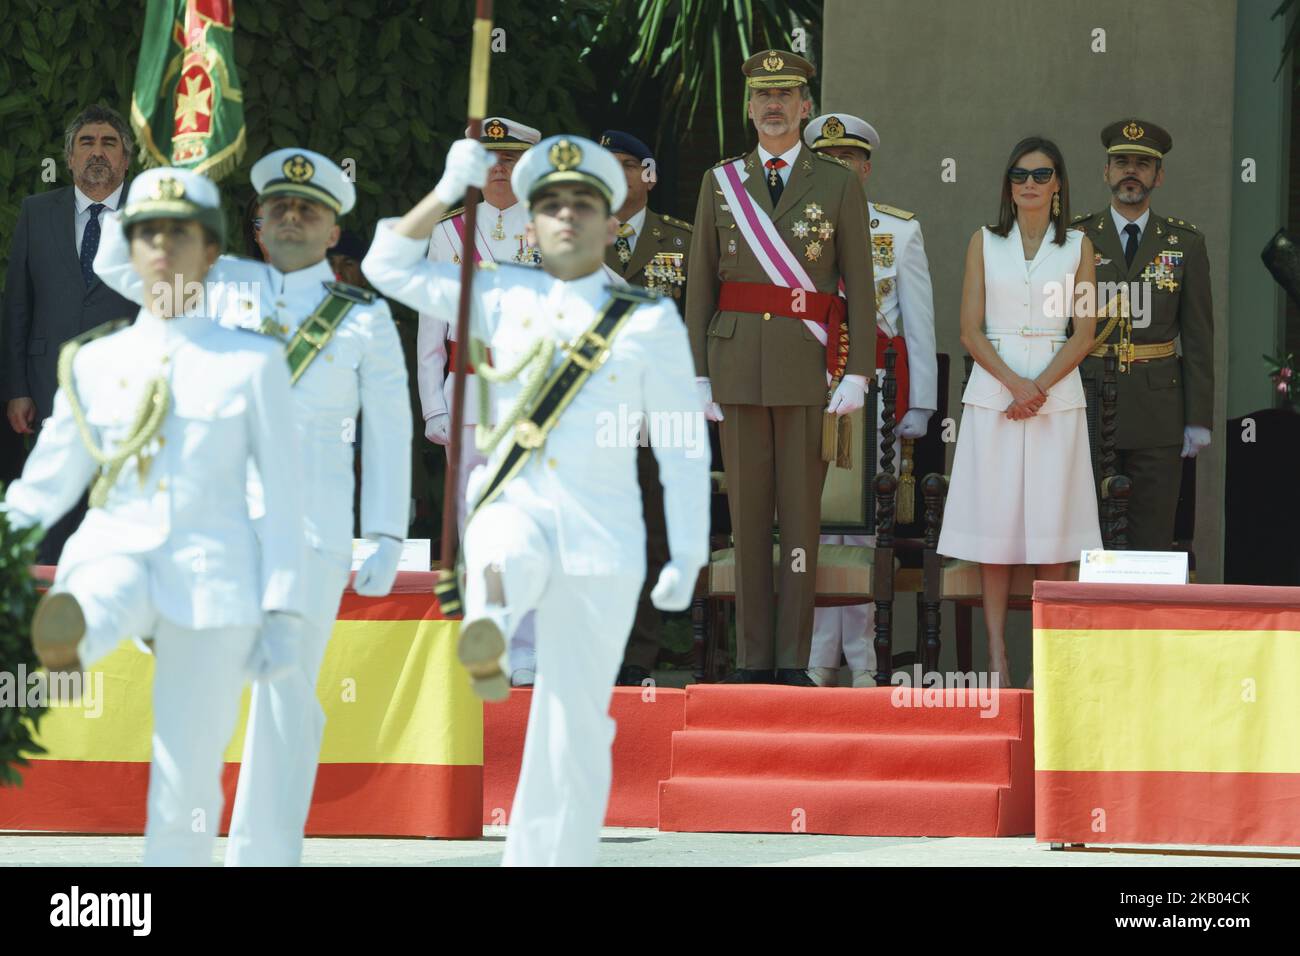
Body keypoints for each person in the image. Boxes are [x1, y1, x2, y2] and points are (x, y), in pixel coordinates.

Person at [363, 134, 710, 866]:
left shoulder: (649, 319)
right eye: (549, 204)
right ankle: (489, 621)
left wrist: (685, 550)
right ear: (528, 220)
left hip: (604, 539)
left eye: (583, 204)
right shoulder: (491, 291)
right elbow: (382, 265)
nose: (565, 217)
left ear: (612, 218)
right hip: (516, 510)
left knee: (576, 724)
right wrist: (441, 191)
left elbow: (683, 446)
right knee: (502, 542)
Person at [93, 147, 412, 867]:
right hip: (213, 525)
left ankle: (265, 858)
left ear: (335, 231)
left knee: (285, 699)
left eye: (311, 210)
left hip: (310, 535)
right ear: (258, 225)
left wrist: (388, 531)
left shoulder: (364, 318)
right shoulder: (213, 283)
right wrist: (166, 188)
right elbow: (114, 266)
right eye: (280, 208)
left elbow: (391, 432)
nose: (294, 217)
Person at [3, 167, 306, 866]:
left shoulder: (254, 363)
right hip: (119, 549)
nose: (162, 246)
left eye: (180, 233)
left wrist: (284, 614)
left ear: (211, 252)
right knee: (101, 586)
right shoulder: (95, 360)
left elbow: (286, 502)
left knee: (187, 777)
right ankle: (73, 631)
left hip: (211, 576)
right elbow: (47, 482)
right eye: (147, 233)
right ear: (128, 250)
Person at [685, 51, 875, 686]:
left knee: (799, 519)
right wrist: (697, 374)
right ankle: (751, 658)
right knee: (746, 520)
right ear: (748, 106)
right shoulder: (720, 182)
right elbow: (700, 286)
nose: (772, 104)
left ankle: (793, 659)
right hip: (736, 366)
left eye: (785, 93)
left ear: (805, 106)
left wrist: (857, 371)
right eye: (762, 94)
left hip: (804, 368)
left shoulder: (838, 183)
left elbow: (860, 285)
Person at [937, 137, 1101, 687]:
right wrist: (1014, 384)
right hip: (996, 395)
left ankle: (1042, 660)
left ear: (1058, 185)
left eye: (1041, 174)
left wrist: (1039, 388)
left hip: (1055, 397)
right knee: (997, 529)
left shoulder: (1079, 246)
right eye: (1019, 174)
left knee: (1051, 529)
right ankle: (997, 658)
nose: (1029, 183)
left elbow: (1084, 332)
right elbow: (968, 328)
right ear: (1008, 185)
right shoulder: (984, 241)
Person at [803, 112, 938, 687]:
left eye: (848, 160)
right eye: (826, 160)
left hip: (874, 398)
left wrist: (922, 403)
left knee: (860, 530)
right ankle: (813, 656)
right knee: (810, 523)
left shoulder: (898, 230)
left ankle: (859, 658)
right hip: (806, 389)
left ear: (866, 167)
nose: (839, 169)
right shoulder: (793, 229)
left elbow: (919, 324)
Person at [419, 116, 543, 687]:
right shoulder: (448, 233)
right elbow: (430, 327)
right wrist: (433, 406)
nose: (500, 170)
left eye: (511, 160)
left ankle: (530, 646)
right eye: (490, 161)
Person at [3, 104, 136, 564]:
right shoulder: (37, 212)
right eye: (87, 142)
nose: (97, 152)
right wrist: (17, 389)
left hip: (130, 399)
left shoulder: (152, 217)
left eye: (109, 143)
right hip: (48, 390)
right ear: (70, 158)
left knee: (118, 526)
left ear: (126, 159)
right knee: (51, 526)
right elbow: (18, 304)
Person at [1073, 120, 1213, 552]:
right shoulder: (1076, 237)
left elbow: (1199, 334)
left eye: (1142, 164)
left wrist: (1198, 417)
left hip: (1159, 408)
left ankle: (1144, 622)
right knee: (1086, 532)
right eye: (1121, 163)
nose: (1130, 171)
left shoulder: (1185, 242)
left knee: (1151, 533)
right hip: (1090, 400)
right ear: (1106, 172)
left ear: (1158, 176)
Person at [598, 129, 694, 686]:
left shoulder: (680, 239)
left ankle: (640, 655)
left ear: (649, 174)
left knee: (653, 535)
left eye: (627, 164)